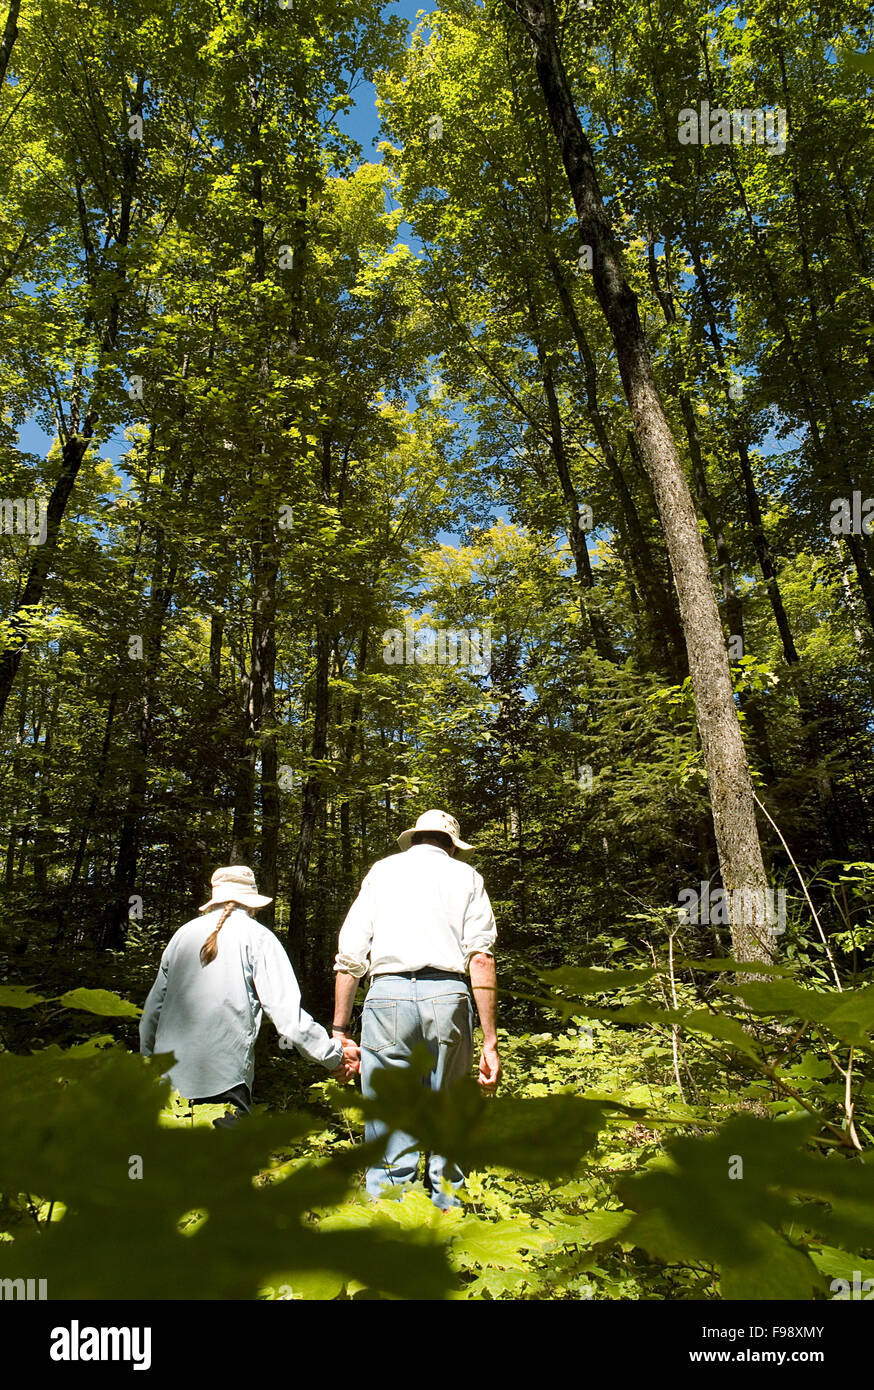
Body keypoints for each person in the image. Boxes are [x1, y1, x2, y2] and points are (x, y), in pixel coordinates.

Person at [332, 809, 500, 1209]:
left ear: (416, 839)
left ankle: (392, 1236)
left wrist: (339, 1031)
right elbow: (480, 958)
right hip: (448, 995)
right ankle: (449, 1231)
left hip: (386, 996)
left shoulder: (382, 872)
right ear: (452, 847)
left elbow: (350, 956)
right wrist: (489, 1042)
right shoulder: (467, 877)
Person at [140, 865, 359, 1126]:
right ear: (252, 903)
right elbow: (288, 1018)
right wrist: (333, 1056)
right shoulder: (258, 937)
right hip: (224, 1083)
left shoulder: (182, 936)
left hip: (168, 1086)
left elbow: (152, 1013)